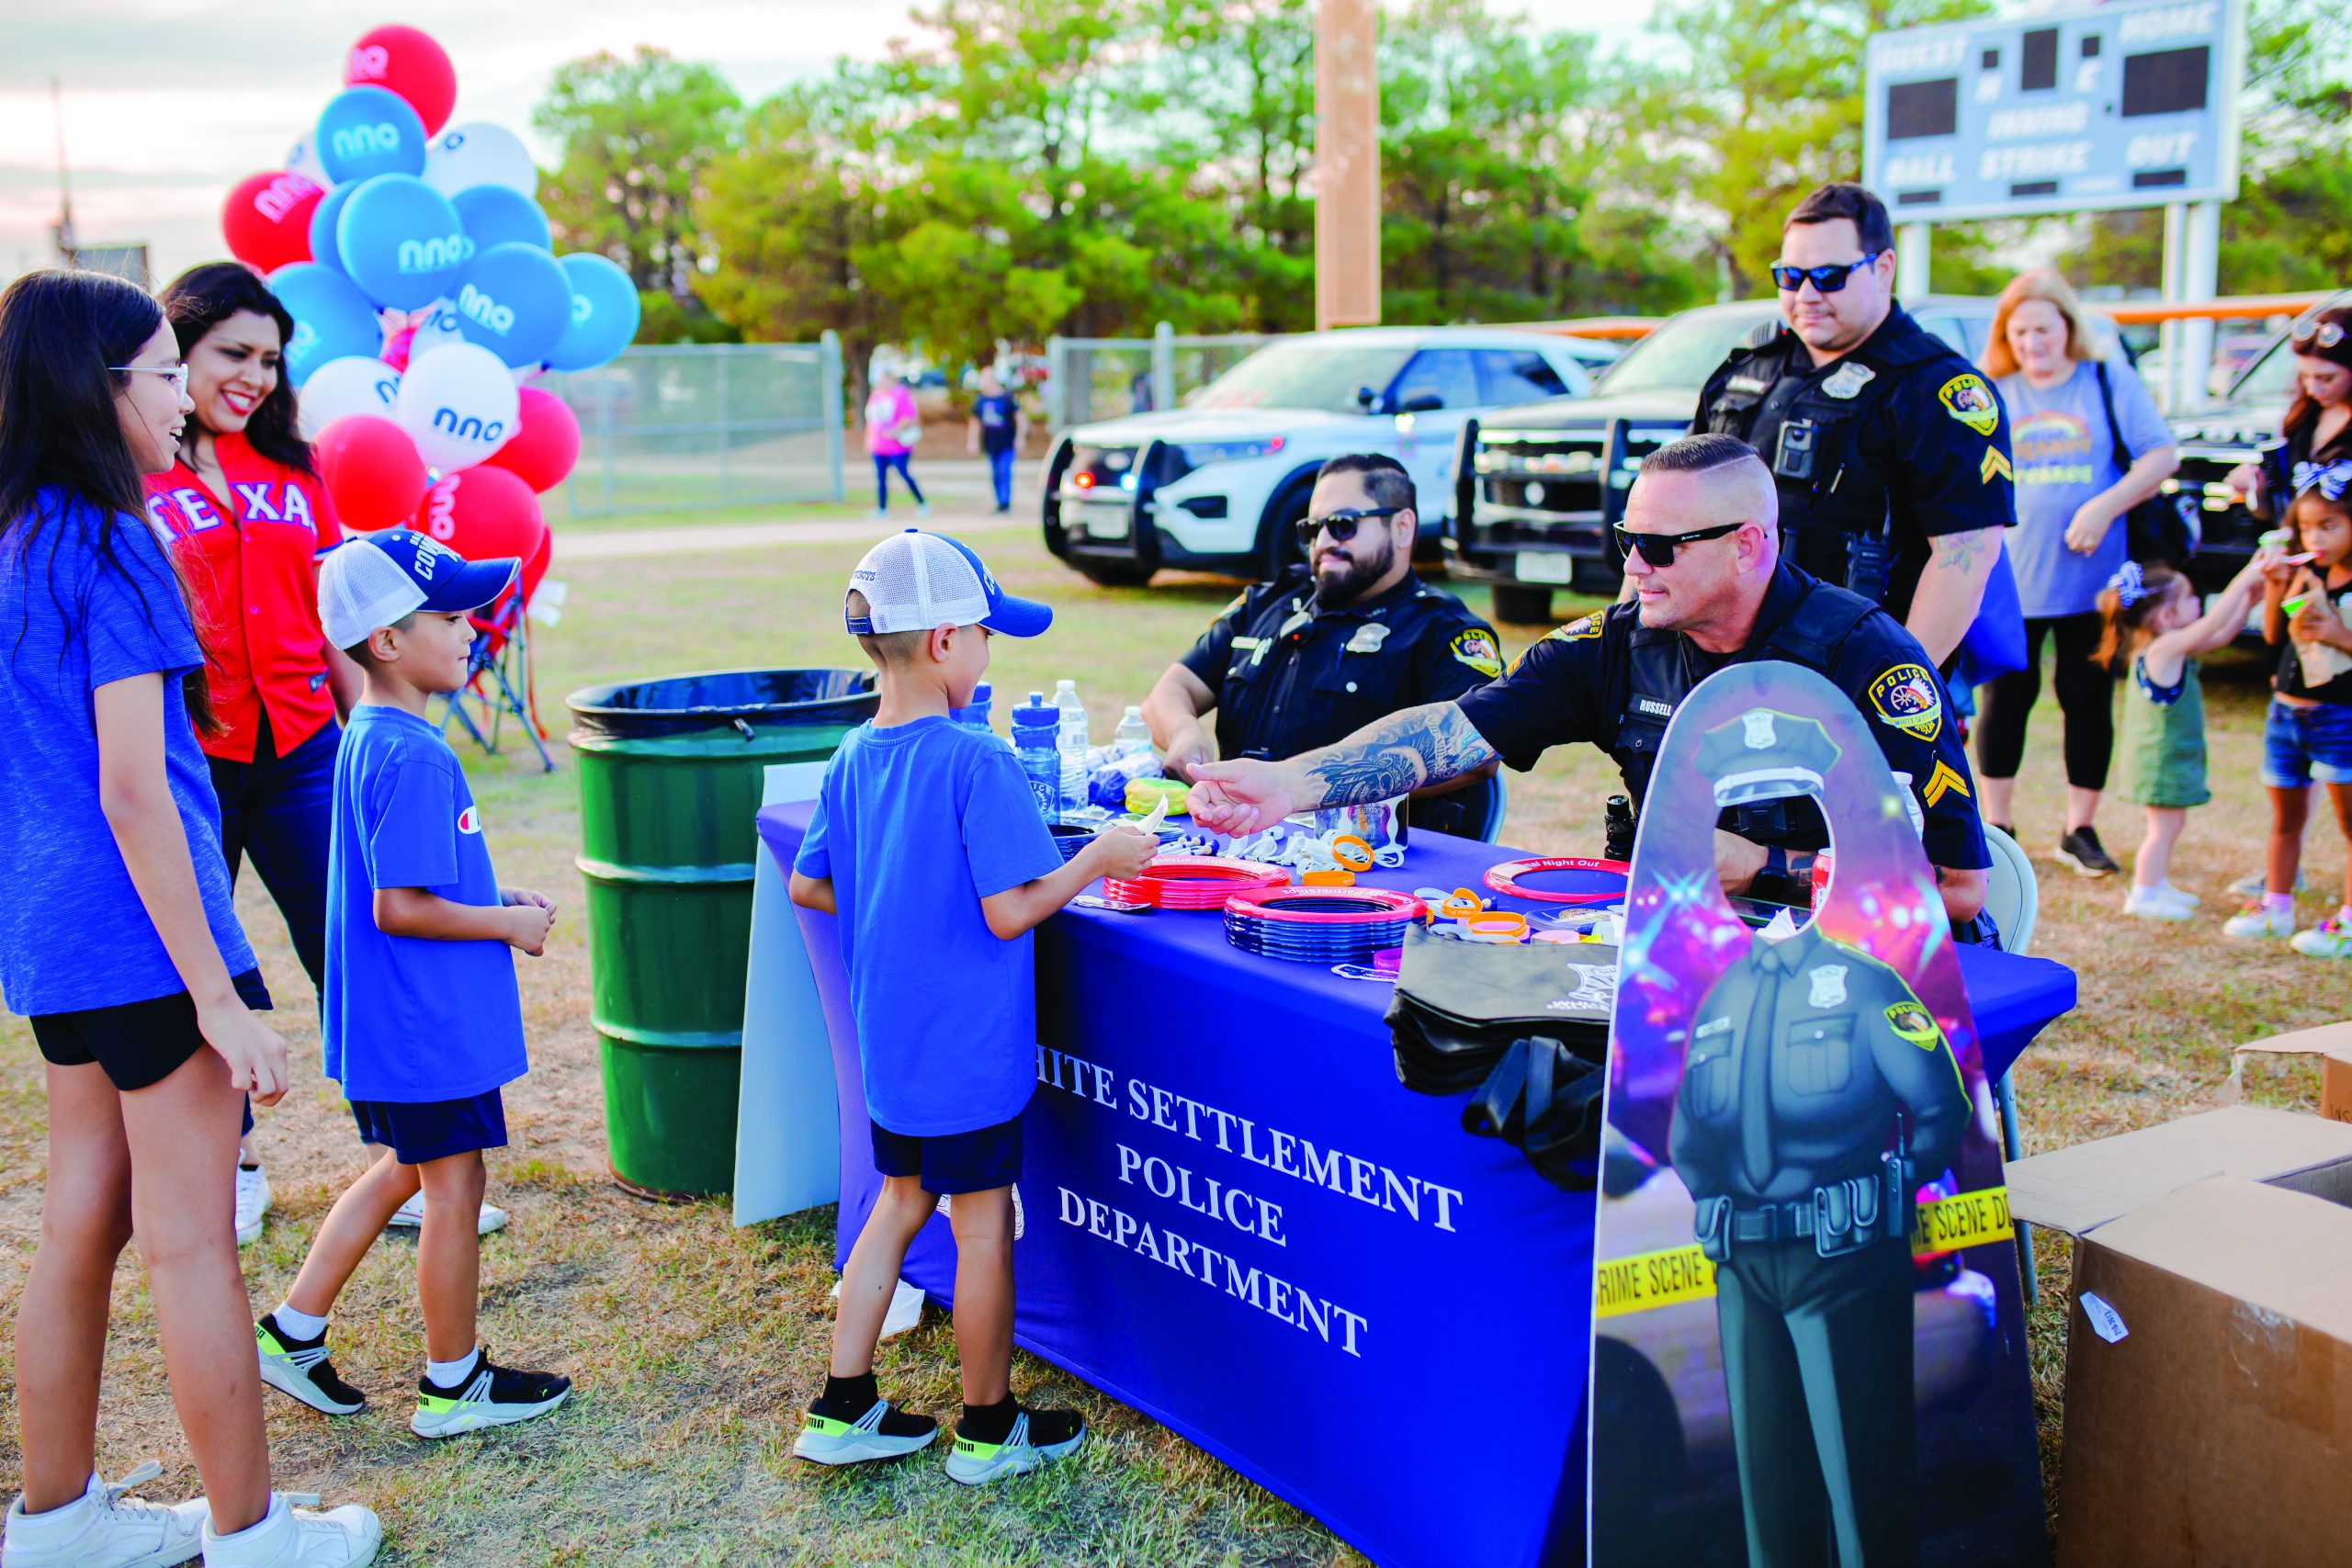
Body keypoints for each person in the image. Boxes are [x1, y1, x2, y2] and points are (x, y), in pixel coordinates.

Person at [0, 270, 379, 1568]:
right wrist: (218, 992)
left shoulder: (17, 538)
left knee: (81, 1225)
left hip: (57, 945)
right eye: (166, 369)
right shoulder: (116, 541)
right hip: (146, 948)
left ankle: (53, 1517)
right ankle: (254, 1532)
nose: (183, 397)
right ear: (98, 386)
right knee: (192, 1244)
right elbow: (130, 786)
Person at [1188, 434, 1995, 933]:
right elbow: (1449, 732)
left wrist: (1766, 866)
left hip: (1852, 970)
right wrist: (1289, 783)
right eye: (1625, 539)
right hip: (1677, 953)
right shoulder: (1617, 642)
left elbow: (1956, 889)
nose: (1633, 567)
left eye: (1660, 546)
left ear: (1749, 546)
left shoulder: (1865, 658)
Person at [786, 529, 1154, 1483]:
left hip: (895, 1049)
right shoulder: (975, 757)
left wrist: (897, 896)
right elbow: (1009, 911)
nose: (992, 653)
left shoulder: (852, 753)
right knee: (982, 1223)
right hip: (966, 1053)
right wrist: (1098, 858)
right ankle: (989, 1429)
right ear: (947, 641)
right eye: (988, 635)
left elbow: (808, 885)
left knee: (899, 1202)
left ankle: (842, 1406)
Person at [252, 529, 571, 1438]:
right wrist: (508, 925)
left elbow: (411, 880)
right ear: (387, 641)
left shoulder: (368, 735)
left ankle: (292, 1329)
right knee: (453, 1187)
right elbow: (400, 906)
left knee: (405, 1168)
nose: (471, 627)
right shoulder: (416, 753)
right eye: (448, 614)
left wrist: (491, 892)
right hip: (425, 1032)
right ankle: (453, 1382)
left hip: (394, 1028)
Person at [1670, 911, 1969, 1568]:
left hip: (1845, 1258)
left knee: (1866, 1488)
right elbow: (1687, 1141)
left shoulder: (1865, 984)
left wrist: (1891, 1185)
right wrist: (1718, 1200)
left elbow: (1941, 1105)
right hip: (1744, 1267)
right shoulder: (1724, 995)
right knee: (1771, 1498)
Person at [1695, 182, 2014, 665]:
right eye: (1790, 276)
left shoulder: (1936, 387)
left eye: (1829, 275)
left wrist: (1896, 685)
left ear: (1883, 269)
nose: (1806, 294)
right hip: (1721, 665)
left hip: (1856, 668)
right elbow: (1671, 513)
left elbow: (1963, 558)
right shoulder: (1746, 370)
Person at [1140, 454, 1507, 838]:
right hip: (1235, 844)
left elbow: (1476, 755)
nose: (1324, 541)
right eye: (1312, 529)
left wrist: (1311, 789)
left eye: (1343, 525)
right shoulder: (1268, 603)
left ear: (1402, 528)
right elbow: (1172, 690)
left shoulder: (1442, 630)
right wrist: (1183, 732)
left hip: (1362, 860)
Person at [1972, 267, 2179, 878]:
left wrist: (2103, 504)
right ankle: (1998, 827)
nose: (2034, 341)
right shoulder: (1992, 388)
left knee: (2086, 700)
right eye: (2020, 330)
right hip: (2010, 581)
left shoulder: (2107, 379)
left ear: (2068, 326)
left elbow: (2161, 454)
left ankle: (2078, 829)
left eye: (2045, 327)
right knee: (2005, 701)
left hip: (2097, 581)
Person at [2096, 555, 2278, 919]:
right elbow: (2212, 622)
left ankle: (2157, 884)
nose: (2198, 602)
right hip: (2160, 762)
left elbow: (2221, 635)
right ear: (2166, 617)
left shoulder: (2167, 647)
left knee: (2169, 826)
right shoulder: (2164, 649)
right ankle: (2144, 894)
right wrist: (2245, 577)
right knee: (2161, 830)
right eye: (2191, 597)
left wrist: (2248, 602)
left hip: (2168, 759)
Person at [2224, 472, 2352, 957]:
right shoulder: (2307, 573)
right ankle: (2276, 906)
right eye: (2307, 529)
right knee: (2285, 818)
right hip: (2286, 716)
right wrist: (2277, 586)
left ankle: (2347, 922)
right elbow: (2275, 636)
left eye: (2330, 527)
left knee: (2349, 823)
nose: (2315, 539)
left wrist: (2341, 636)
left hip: (2341, 718)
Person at [2227, 306, 2352, 523]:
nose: (2313, 389)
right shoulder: (2301, 420)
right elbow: (2282, 514)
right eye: (2305, 377)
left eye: (2327, 378)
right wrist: (2258, 488)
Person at [865, 370, 928, 520]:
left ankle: (922, 503)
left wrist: (894, 430)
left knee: (904, 474)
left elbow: (909, 416)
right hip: (878, 446)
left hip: (896, 446)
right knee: (881, 478)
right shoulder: (875, 397)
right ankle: (882, 508)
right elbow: (872, 422)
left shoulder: (900, 395)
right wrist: (868, 442)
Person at [967, 368, 1025, 513]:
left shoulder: (1006, 398)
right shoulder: (981, 400)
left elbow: (1020, 418)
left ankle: (1005, 503)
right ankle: (1000, 502)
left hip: (1006, 443)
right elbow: (975, 422)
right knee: (995, 474)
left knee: (1004, 471)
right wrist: (972, 440)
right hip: (990, 444)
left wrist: (1020, 437)